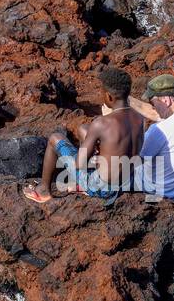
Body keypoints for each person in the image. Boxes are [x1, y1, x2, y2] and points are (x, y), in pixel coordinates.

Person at [22, 67, 147, 203]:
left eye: (102, 92)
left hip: (103, 189)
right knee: (84, 129)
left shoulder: (102, 123)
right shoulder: (139, 118)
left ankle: (44, 191)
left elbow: (79, 164)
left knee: (55, 138)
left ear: (109, 96)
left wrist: (92, 154)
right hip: (127, 183)